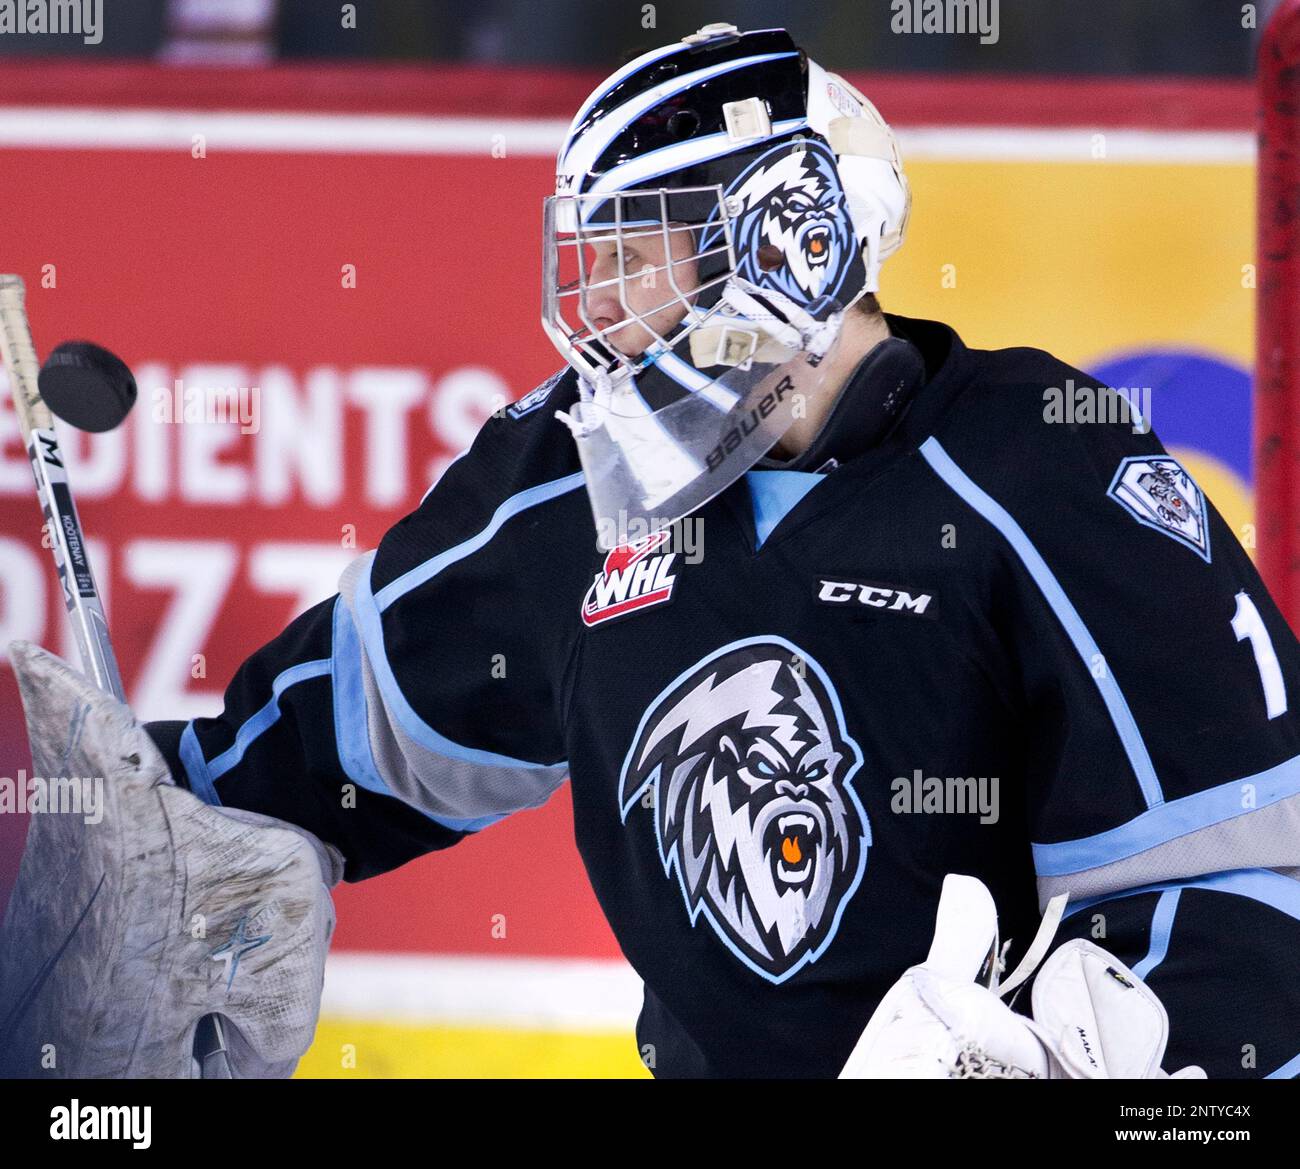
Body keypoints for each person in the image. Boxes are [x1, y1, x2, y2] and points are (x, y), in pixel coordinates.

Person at [138, 23, 1298, 1078]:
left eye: (642, 257)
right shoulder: (571, 482)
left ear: (790, 244)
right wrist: (126, 822)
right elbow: (341, 730)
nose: (606, 315)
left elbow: (1243, 876)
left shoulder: (1038, 467)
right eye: (595, 267)